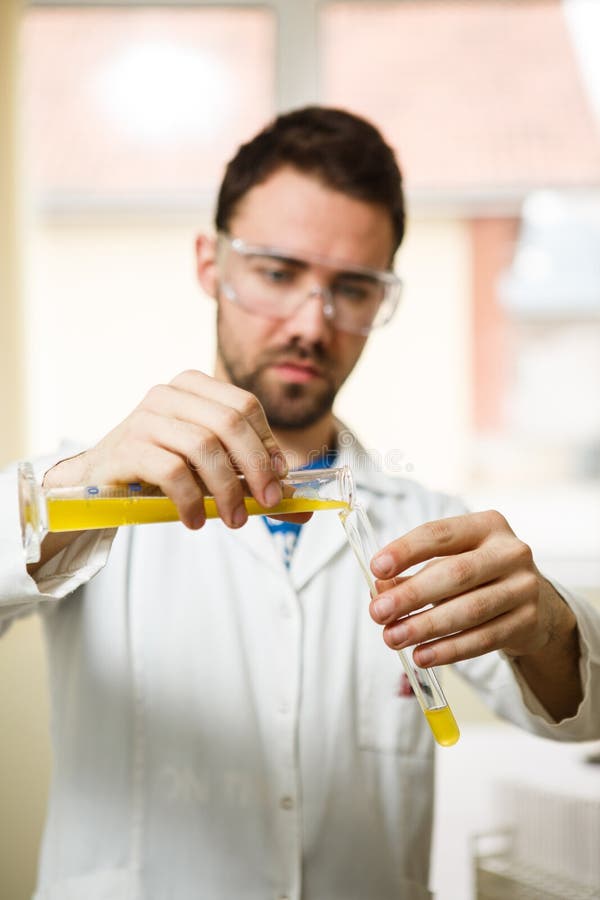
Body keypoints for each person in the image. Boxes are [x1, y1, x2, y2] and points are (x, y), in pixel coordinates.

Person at [1, 106, 599, 900]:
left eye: (351, 288)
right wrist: (72, 488)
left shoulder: (423, 521)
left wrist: (552, 625)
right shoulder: (100, 488)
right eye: (279, 273)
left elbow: (578, 712)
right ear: (211, 264)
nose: (312, 324)